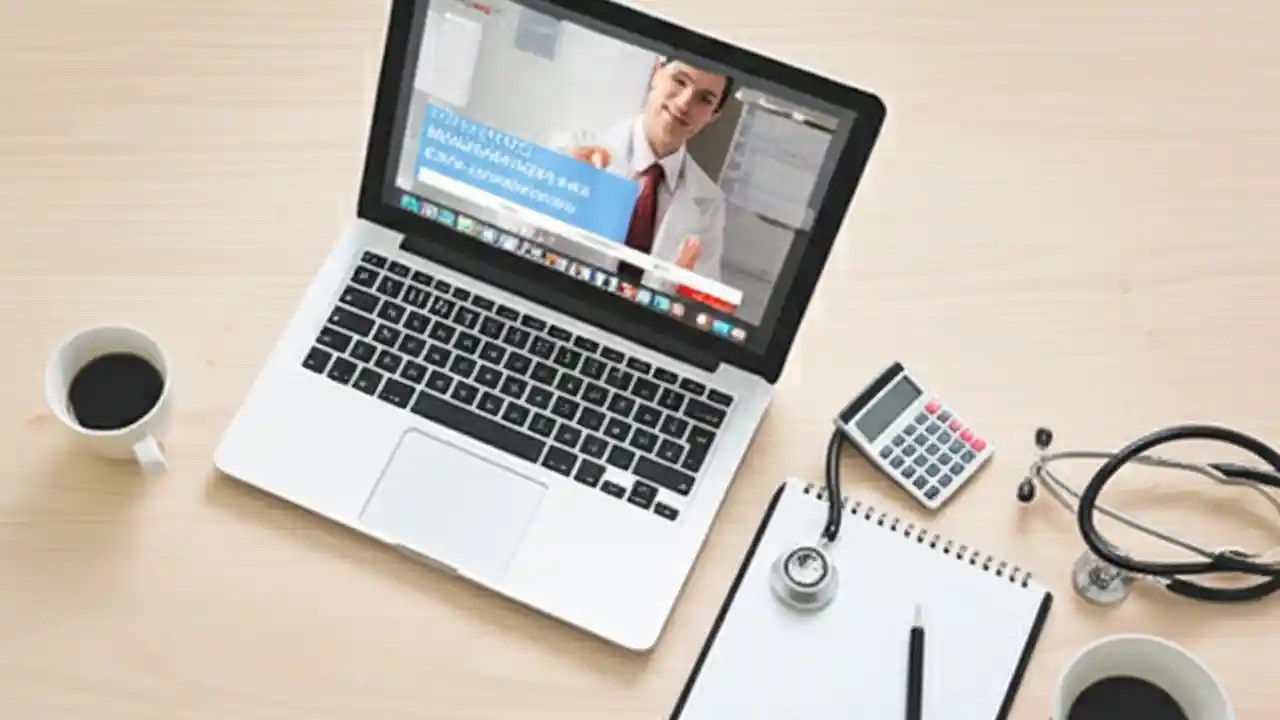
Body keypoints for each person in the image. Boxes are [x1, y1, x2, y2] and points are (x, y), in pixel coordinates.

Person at [551, 58, 733, 287]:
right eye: (680, 81)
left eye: (705, 99)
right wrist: (559, 198)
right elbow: (517, 240)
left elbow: (701, 298)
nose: (684, 103)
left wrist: (684, 291)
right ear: (655, 73)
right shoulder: (575, 149)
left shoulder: (709, 202)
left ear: (713, 116)